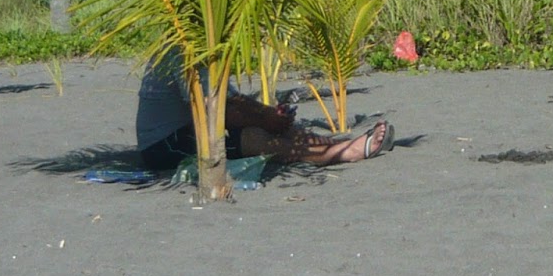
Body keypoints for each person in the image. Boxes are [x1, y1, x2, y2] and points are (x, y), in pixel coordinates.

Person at [136, 50, 393, 172]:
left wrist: (269, 116)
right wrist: (266, 117)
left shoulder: (205, 47)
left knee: (270, 123)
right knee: (253, 137)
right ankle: (343, 153)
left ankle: (335, 145)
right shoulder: (184, 52)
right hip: (163, 145)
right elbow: (218, 110)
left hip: (195, 127)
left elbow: (231, 100)